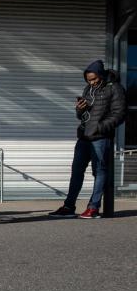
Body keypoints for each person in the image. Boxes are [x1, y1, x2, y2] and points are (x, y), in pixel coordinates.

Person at [49, 60, 127, 219]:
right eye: (88, 80)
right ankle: (68, 206)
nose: (91, 82)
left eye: (94, 79)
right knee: (76, 171)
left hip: (100, 137)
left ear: (101, 75)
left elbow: (119, 114)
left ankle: (93, 208)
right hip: (84, 136)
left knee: (99, 171)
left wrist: (99, 127)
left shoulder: (115, 89)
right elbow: (81, 116)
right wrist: (80, 109)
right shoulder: (88, 89)